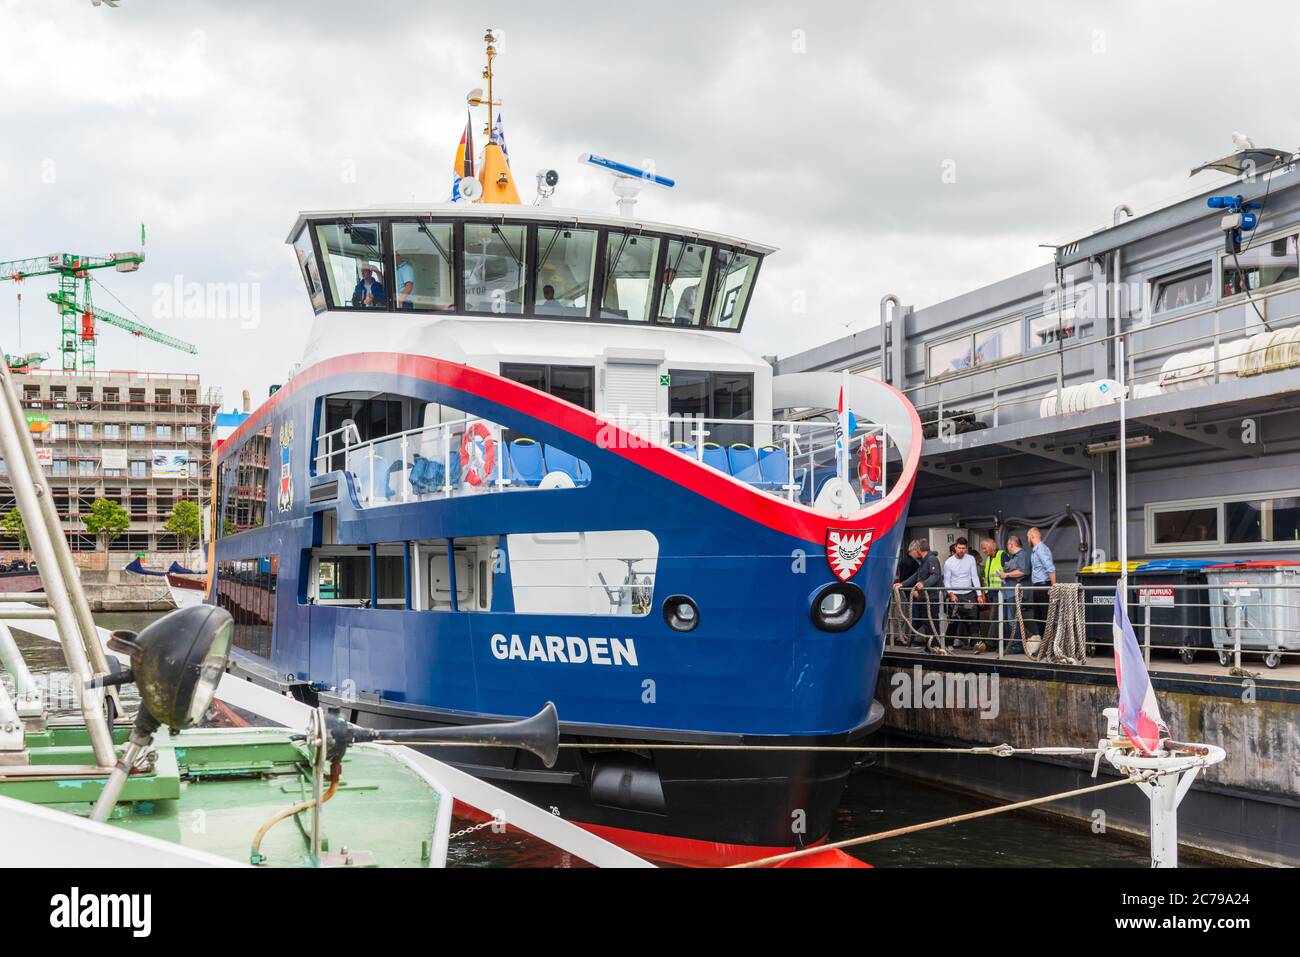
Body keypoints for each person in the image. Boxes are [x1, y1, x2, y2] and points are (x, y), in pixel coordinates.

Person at [943, 537, 985, 653]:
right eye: (959, 548)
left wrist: (979, 594)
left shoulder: (971, 559)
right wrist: (950, 593)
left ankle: (977, 645)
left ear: (966, 549)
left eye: (963, 548)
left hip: (969, 595)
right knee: (954, 620)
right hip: (955, 595)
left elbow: (974, 576)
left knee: (973, 619)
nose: (961, 550)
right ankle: (947, 643)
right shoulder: (949, 562)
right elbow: (946, 581)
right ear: (955, 547)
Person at [899, 538, 942, 648]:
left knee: (931, 623)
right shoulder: (924, 561)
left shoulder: (932, 560)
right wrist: (902, 584)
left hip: (932, 598)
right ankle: (930, 647)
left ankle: (934, 647)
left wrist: (923, 584)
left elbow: (935, 575)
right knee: (927, 622)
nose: (911, 554)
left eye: (912, 551)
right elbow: (916, 575)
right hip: (924, 597)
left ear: (918, 549)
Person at [1027, 526, 1056, 647]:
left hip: (1043, 587)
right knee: (1038, 617)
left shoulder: (1040, 550)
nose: (1028, 539)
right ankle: (1045, 645)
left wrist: (1053, 587)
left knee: (1045, 617)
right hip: (1038, 587)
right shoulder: (1036, 550)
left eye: (1028, 537)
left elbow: (1050, 568)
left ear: (1032, 536)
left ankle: (1050, 646)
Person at [1001, 535, 1031, 654]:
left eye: (1008, 545)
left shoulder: (1022, 556)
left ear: (1011, 545)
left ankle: (1017, 646)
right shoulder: (1014, 557)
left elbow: (1023, 571)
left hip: (1015, 592)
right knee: (1010, 619)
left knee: (1012, 619)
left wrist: (1006, 575)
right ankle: (1013, 644)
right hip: (1009, 593)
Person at [979, 538, 1007, 644]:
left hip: (1000, 593)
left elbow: (1008, 572)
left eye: (985, 548)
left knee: (994, 618)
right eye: (983, 549)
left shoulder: (1001, 555)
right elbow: (987, 578)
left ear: (991, 546)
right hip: (991, 593)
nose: (984, 551)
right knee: (996, 618)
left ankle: (990, 643)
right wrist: (985, 593)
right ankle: (996, 643)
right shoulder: (989, 559)